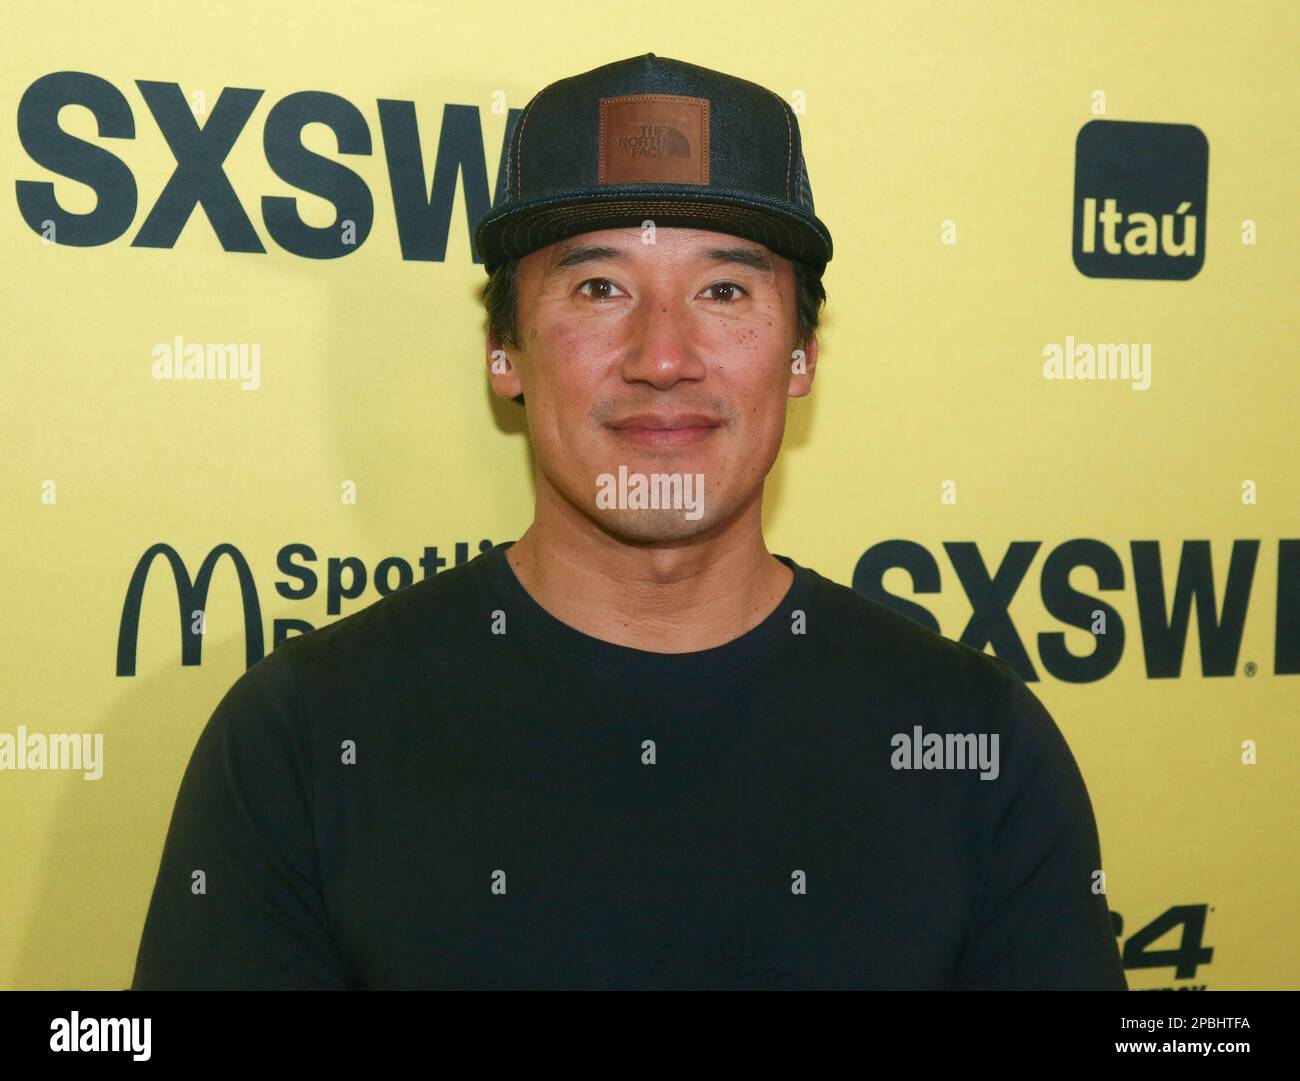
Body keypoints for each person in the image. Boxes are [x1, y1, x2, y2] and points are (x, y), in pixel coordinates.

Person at [131, 52, 1127, 990]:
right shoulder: (299, 736)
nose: (663, 356)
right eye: (600, 287)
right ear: (504, 352)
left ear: (800, 358)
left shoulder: (974, 738)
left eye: (725, 289)